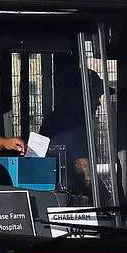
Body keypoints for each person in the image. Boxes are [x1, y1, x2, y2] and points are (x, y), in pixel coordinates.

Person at [43, 56, 106, 193]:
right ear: (81, 94)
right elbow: (85, 170)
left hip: (55, 195)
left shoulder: (53, 120)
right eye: (96, 96)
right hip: (71, 199)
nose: (98, 103)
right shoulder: (76, 125)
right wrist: (107, 199)